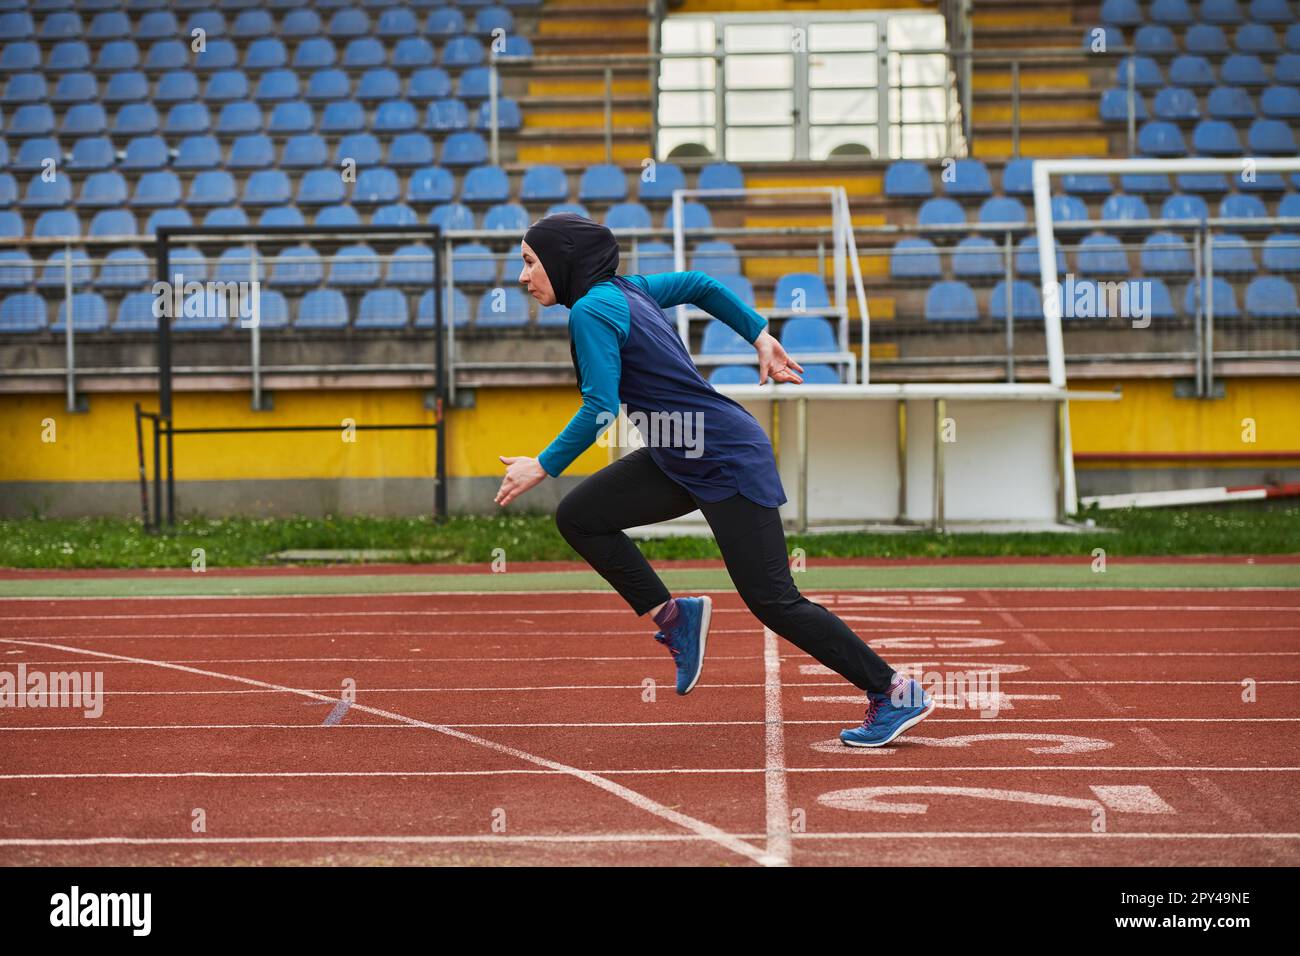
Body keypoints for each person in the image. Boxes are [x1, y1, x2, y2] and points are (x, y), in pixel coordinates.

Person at [494, 212, 933, 746]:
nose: (522, 276)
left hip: (722, 455)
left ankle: (893, 690)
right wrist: (759, 335)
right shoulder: (629, 290)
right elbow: (700, 284)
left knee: (774, 601)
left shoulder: (591, 309)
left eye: (529, 262)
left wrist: (542, 464)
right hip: (679, 454)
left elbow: (601, 407)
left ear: (562, 261)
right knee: (580, 516)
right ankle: (675, 617)